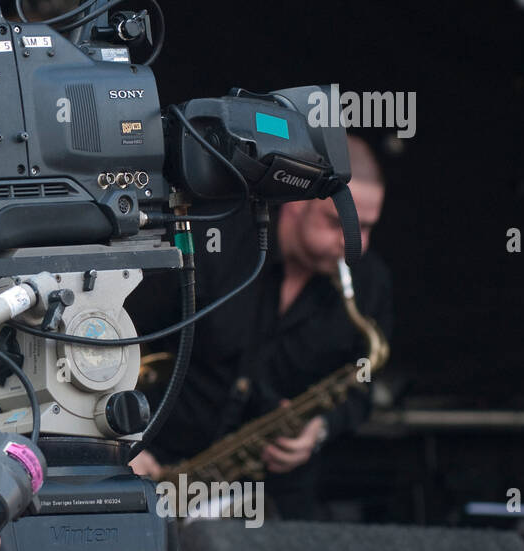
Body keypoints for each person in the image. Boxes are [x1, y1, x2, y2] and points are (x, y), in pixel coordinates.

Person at [131, 136, 393, 520]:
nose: (355, 245)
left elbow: (361, 385)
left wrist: (319, 429)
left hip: (276, 499)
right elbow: (123, 345)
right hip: (161, 470)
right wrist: (130, 446)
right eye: (340, 223)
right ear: (299, 201)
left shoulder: (370, 283)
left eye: (367, 228)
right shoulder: (209, 242)